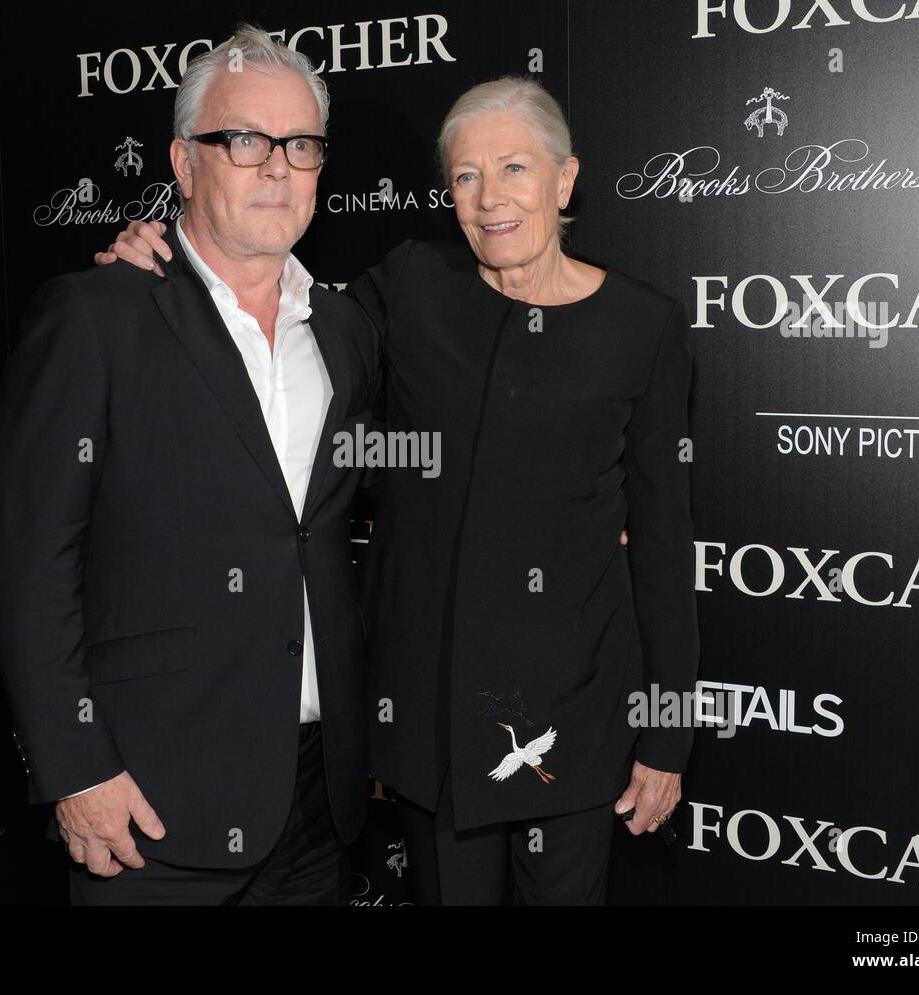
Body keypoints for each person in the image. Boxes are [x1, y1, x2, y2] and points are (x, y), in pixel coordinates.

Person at [96, 76, 698, 905]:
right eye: (465, 177)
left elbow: (663, 547)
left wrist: (665, 735)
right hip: (432, 723)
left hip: (578, 718)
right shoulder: (413, 284)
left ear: (565, 182)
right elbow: (273, 309)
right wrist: (159, 253)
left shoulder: (645, 326)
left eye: (516, 169)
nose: (490, 200)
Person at [0, 26, 379, 905]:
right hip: (146, 808)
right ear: (184, 161)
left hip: (317, 802)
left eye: (301, 144)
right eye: (244, 140)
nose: (277, 166)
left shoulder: (348, 331)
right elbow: (30, 565)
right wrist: (75, 771)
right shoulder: (97, 316)